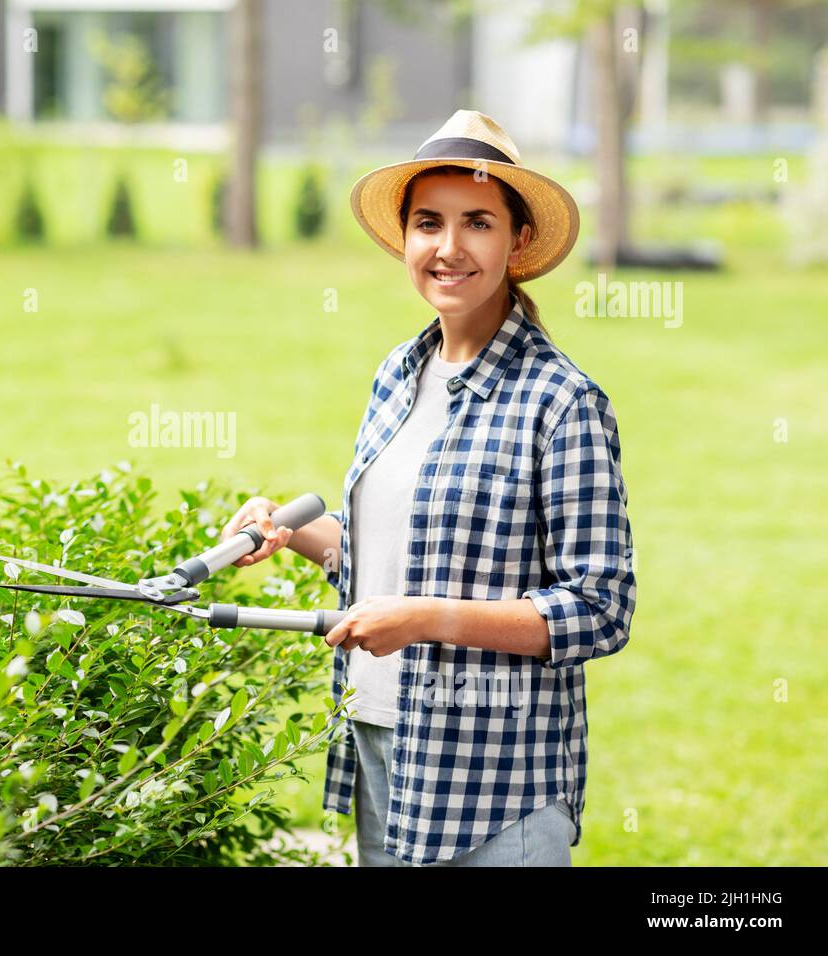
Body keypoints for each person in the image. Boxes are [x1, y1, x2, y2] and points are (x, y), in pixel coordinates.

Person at [219, 110, 637, 867]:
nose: (448, 248)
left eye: (476, 222)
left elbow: (601, 609)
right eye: (427, 224)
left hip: (494, 776)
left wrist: (427, 619)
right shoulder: (397, 374)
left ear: (517, 242)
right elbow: (407, 557)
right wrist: (297, 532)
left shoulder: (560, 401)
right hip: (383, 740)